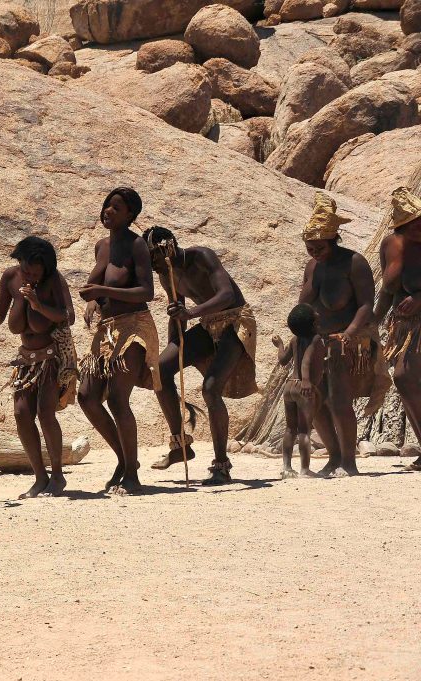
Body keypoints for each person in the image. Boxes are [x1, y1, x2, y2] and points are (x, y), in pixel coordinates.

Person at [143, 226, 258, 485]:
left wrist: (191, 314)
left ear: (167, 247)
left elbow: (226, 294)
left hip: (235, 322)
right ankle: (180, 445)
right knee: (159, 371)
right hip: (207, 324)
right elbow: (178, 312)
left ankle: (221, 466)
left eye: (153, 258)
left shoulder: (202, 256)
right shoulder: (166, 274)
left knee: (210, 389)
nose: (152, 266)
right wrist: (175, 347)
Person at [0, 236, 78, 498]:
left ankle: (57, 475)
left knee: (45, 413)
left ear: (45, 268)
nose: (28, 275)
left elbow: (69, 316)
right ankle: (40, 476)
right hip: (27, 358)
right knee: (21, 413)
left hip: (52, 357)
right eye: (24, 269)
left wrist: (38, 305)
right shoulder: (11, 278)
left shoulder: (54, 281)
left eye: (33, 272)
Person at [76, 187, 159, 495]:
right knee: (86, 396)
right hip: (107, 329)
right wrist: (93, 301)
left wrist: (104, 293)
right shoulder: (101, 246)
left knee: (117, 398)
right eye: (107, 205)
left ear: (130, 215)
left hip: (134, 326)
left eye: (117, 207)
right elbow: (97, 287)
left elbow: (147, 292)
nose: (108, 211)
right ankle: (125, 460)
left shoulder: (137, 246)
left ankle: (132, 475)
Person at [299, 192, 388, 477]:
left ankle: (349, 462)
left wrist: (349, 334)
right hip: (318, 340)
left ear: (333, 240)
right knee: (315, 400)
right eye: (309, 248)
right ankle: (333, 457)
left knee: (339, 400)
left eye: (319, 248)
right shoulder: (312, 266)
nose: (314, 253)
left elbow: (366, 304)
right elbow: (304, 304)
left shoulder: (354, 262)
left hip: (348, 339)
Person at [375, 187, 421, 470]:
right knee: (404, 380)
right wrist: (371, 321)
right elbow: (387, 290)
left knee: (405, 376)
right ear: (401, 228)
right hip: (405, 326)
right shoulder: (389, 244)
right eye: (416, 225)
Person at [273, 304, 324, 479]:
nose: (318, 313)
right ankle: (305, 469)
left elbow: (283, 360)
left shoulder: (294, 340)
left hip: (289, 386)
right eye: (315, 313)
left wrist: (279, 345)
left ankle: (287, 468)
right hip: (302, 387)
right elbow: (307, 360)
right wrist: (307, 381)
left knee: (290, 429)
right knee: (304, 430)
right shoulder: (316, 339)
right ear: (313, 323)